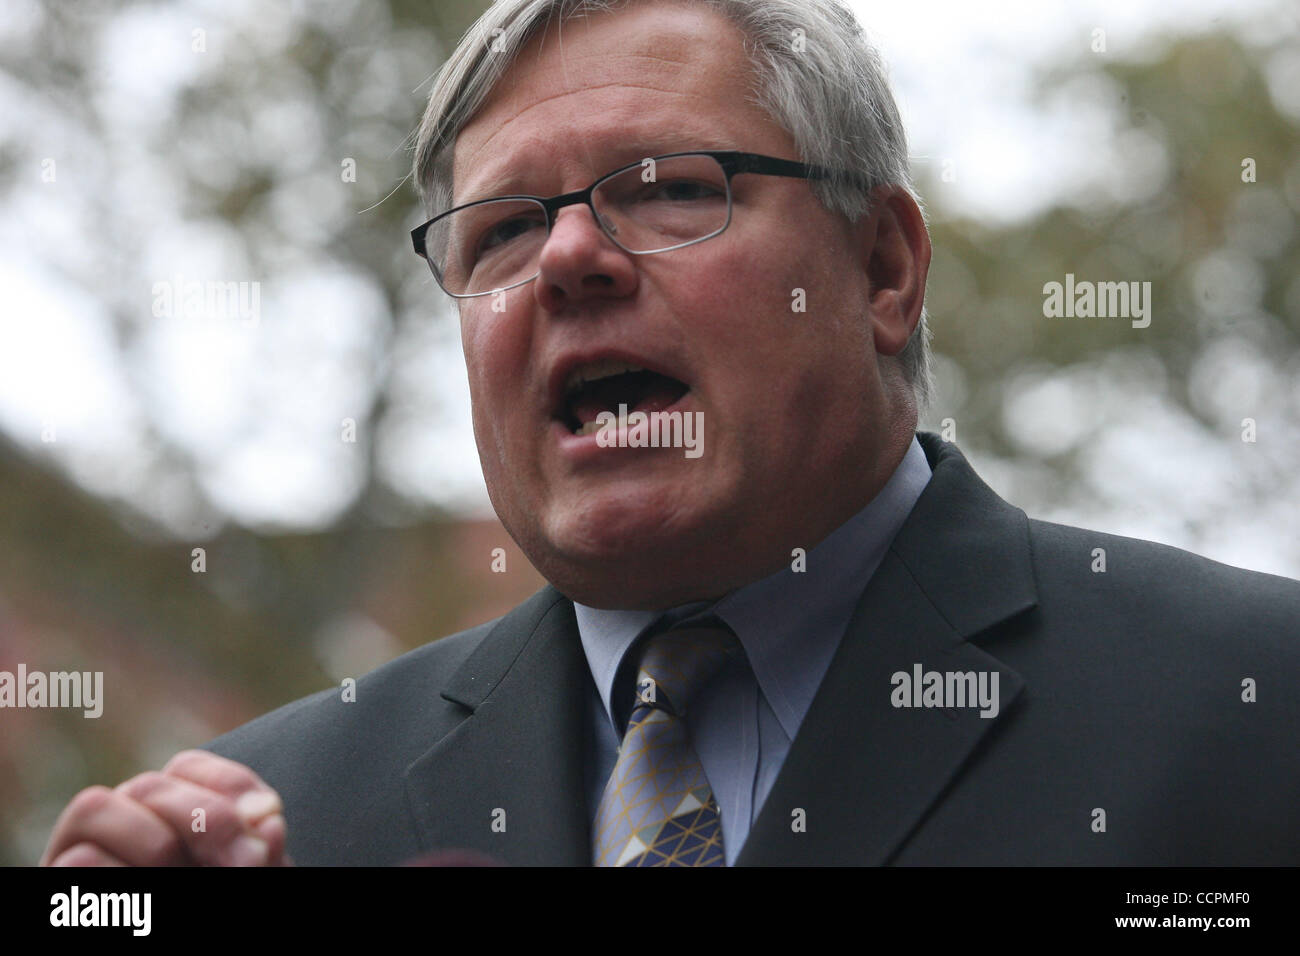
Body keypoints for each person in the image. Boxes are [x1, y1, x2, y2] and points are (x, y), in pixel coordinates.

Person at [42, 0, 1300, 868]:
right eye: (504, 231)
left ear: (880, 266)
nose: (571, 257)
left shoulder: (1252, 704)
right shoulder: (281, 816)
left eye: (669, 189)